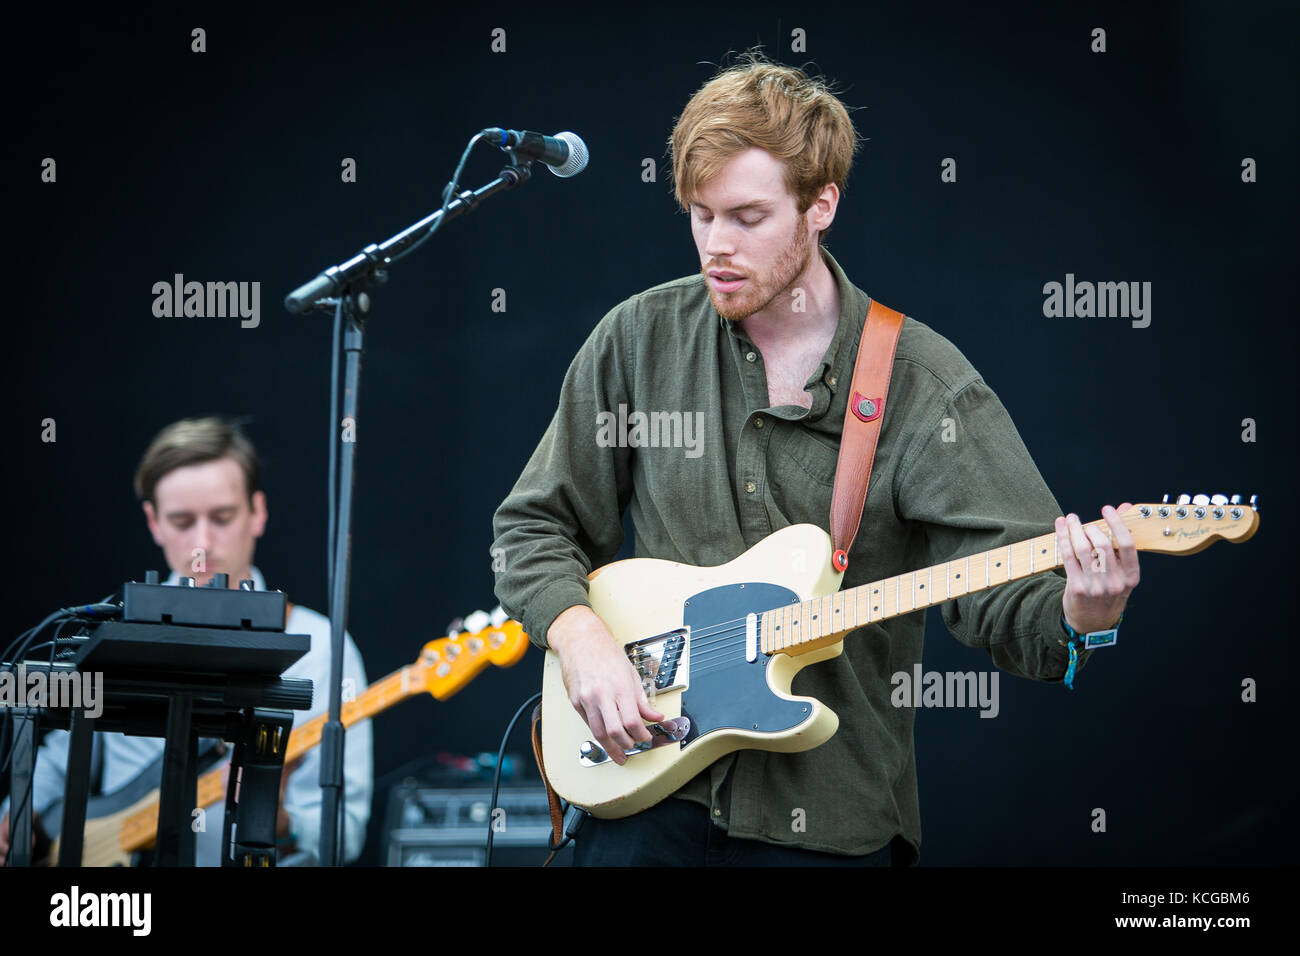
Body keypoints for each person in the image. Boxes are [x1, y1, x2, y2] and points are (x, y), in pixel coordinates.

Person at [490, 51, 1139, 866]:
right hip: (641, 800)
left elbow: (1008, 598)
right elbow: (531, 526)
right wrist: (579, 636)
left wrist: (1087, 616)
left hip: (827, 826)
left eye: (747, 217)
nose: (715, 246)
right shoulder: (638, 340)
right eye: (700, 214)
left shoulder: (924, 387)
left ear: (820, 204)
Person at [0, 417, 372, 866]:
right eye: (181, 521)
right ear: (154, 522)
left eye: (222, 517)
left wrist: (285, 823)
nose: (202, 543)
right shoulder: (113, 633)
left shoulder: (323, 648)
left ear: (258, 512)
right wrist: (12, 821)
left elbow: (345, 834)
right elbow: (62, 760)